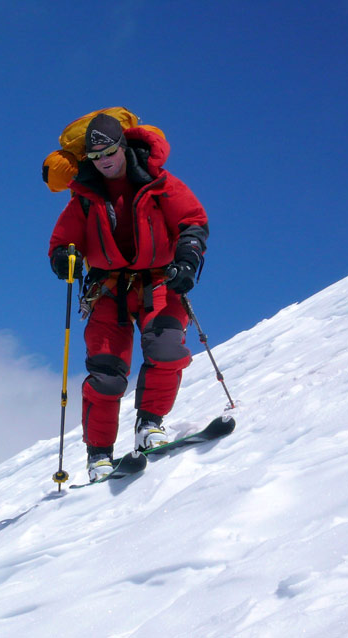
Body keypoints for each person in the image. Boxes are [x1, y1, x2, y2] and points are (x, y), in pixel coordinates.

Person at [48, 112, 209, 482]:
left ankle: (149, 425)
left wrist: (188, 258)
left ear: (123, 146)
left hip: (160, 280)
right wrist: (63, 259)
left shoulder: (159, 183)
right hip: (107, 290)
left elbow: (192, 221)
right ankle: (99, 455)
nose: (104, 161)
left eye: (109, 152)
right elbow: (62, 241)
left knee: (166, 349)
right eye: (95, 156)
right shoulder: (83, 198)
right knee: (106, 374)